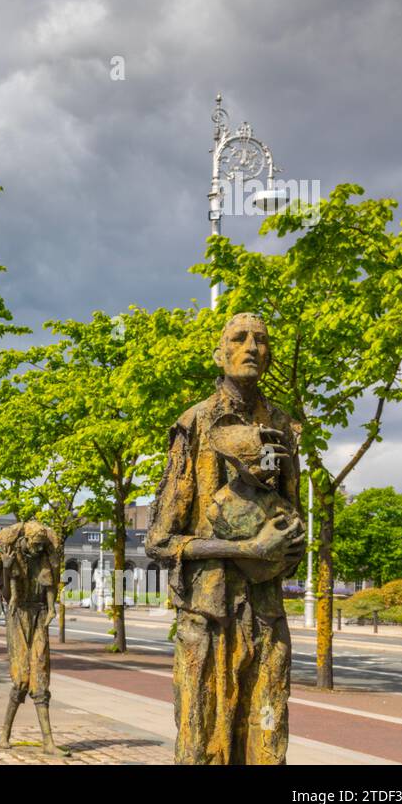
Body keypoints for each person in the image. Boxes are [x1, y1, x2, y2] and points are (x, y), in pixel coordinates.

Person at [146, 313, 305, 765]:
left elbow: (295, 520)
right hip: (208, 615)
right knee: (203, 749)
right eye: (239, 338)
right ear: (220, 354)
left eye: (261, 340)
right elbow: (160, 541)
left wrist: (287, 548)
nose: (252, 347)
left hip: (267, 616)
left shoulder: (283, 426)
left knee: (267, 745)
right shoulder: (194, 423)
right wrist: (247, 550)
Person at [0, 520, 63, 754]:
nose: (40, 549)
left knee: (41, 677)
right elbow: (6, 592)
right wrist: (5, 567)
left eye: (43, 545)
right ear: (26, 541)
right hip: (18, 615)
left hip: (39, 614)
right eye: (36, 544)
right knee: (21, 679)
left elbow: (50, 584)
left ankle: (48, 742)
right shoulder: (14, 554)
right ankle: (4, 735)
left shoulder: (43, 558)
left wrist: (52, 609)